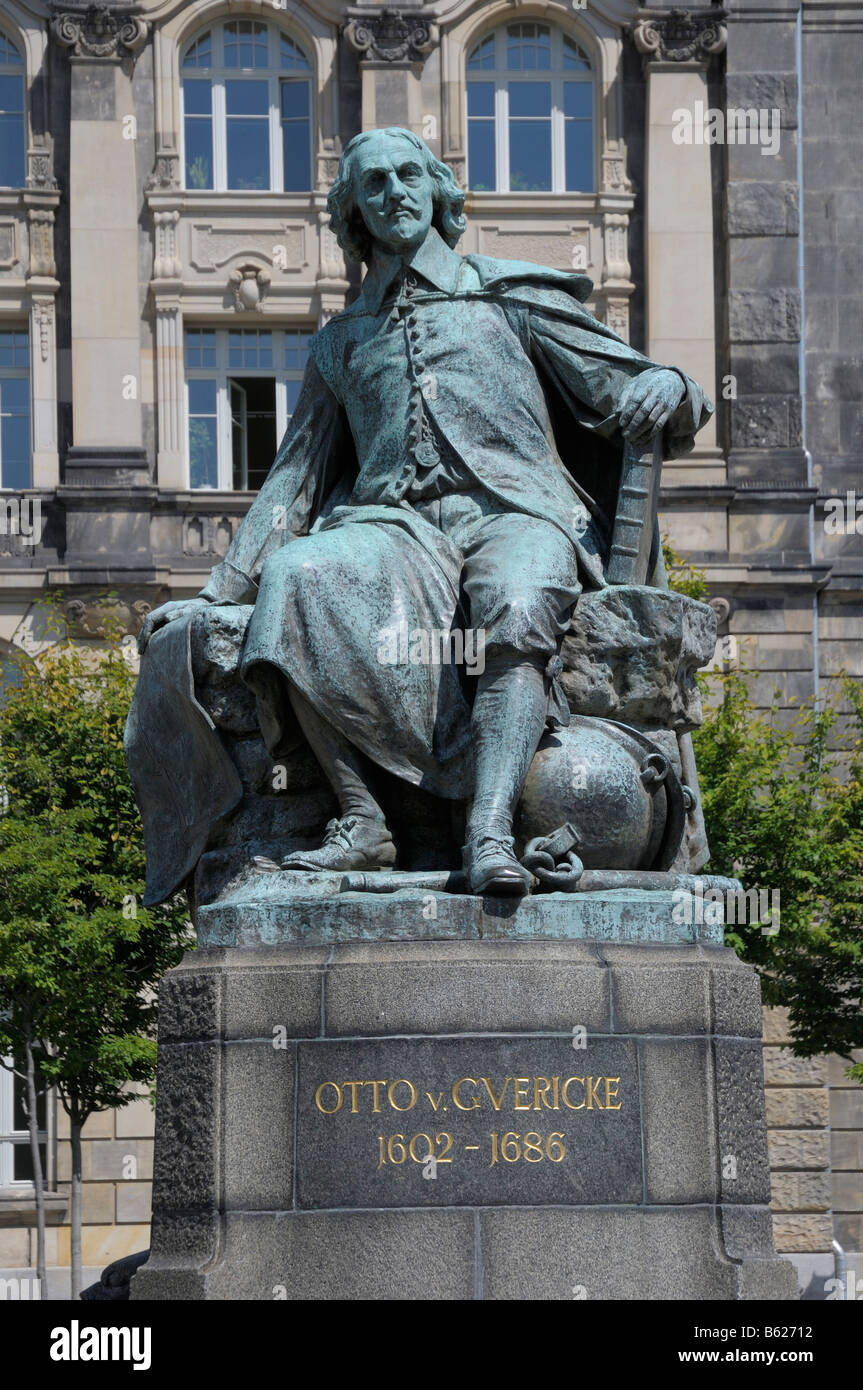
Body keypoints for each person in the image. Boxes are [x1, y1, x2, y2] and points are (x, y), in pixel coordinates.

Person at [138, 128, 712, 896]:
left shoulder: (509, 295)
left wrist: (671, 386)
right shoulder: (340, 342)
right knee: (298, 578)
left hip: (514, 513)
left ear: (437, 191)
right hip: (393, 525)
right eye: (373, 185)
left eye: (409, 175)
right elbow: (293, 480)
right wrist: (219, 592)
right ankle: (363, 820)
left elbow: (640, 388)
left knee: (514, 601)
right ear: (355, 214)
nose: (394, 193)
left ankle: (489, 832)